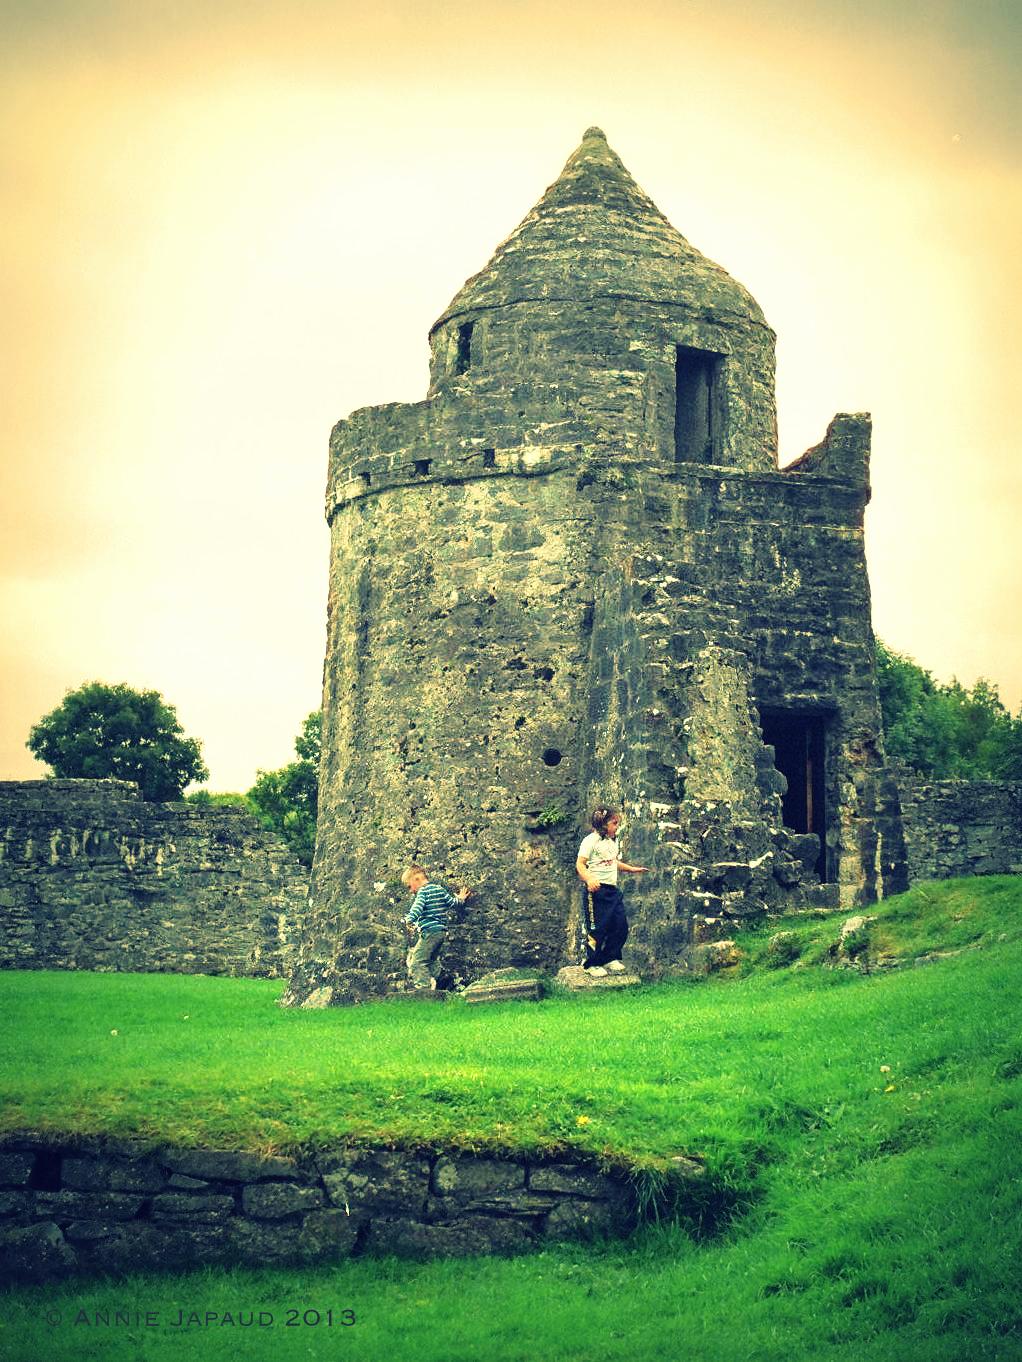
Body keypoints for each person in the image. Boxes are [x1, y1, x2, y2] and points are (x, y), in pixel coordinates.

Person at [576, 806, 648, 976]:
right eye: (614, 823)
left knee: (620, 925)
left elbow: (612, 862)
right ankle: (593, 964)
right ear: (602, 824)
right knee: (597, 928)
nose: (617, 827)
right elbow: (580, 864)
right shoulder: (590, 841)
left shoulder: (610, 842)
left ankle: (609, 958)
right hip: (596, 891)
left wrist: (631, 869)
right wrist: (589, 879)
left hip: (612, 890)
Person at [400, 864, 473, 991]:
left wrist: (409, 919)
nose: (411, 890)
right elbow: (453, 903)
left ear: (416, 879)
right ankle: (445, 982)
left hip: (429, 933)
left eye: (409, 886)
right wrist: (461, 899)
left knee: (417, 962)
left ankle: (424, 990)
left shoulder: (423, 892)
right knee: (431, 960)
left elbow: (417, 907)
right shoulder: (439, 889)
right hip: (440, 933)